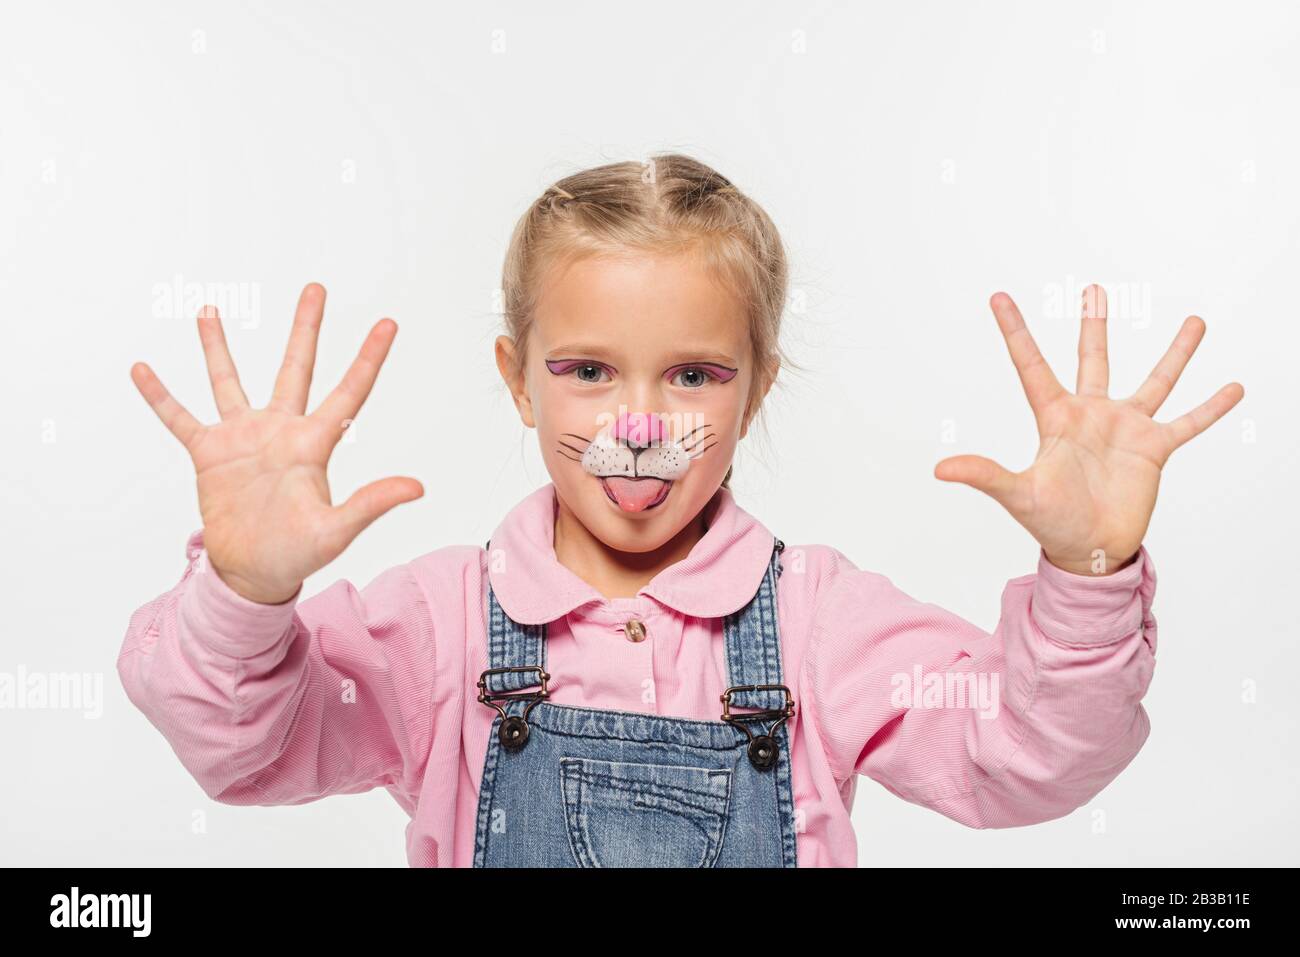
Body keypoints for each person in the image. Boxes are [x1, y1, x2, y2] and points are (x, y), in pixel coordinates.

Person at [118, 153, 1243, 867]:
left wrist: (1089, 574)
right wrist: (244, 591)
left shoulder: (821, 624)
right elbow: (238, 752)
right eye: (588, 370)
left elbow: (1034, 761)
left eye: (695, 375)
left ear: (755, 388)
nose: (641, 424)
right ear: (517, 377)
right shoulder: (439, 624)